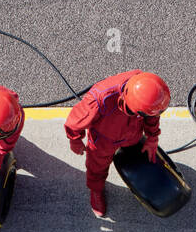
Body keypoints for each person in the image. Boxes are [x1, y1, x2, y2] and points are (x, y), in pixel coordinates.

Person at [64, 71, 170, 216]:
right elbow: (74, 122)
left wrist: (152, 138)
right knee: (97, 166)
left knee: (138, 156)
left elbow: (152, 116)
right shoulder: (100, 98)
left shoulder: (150, 91)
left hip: (133, 134)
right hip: (104, 140)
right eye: (141, 114)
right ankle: (96, 189)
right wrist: (75, 140)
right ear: (125, 101)